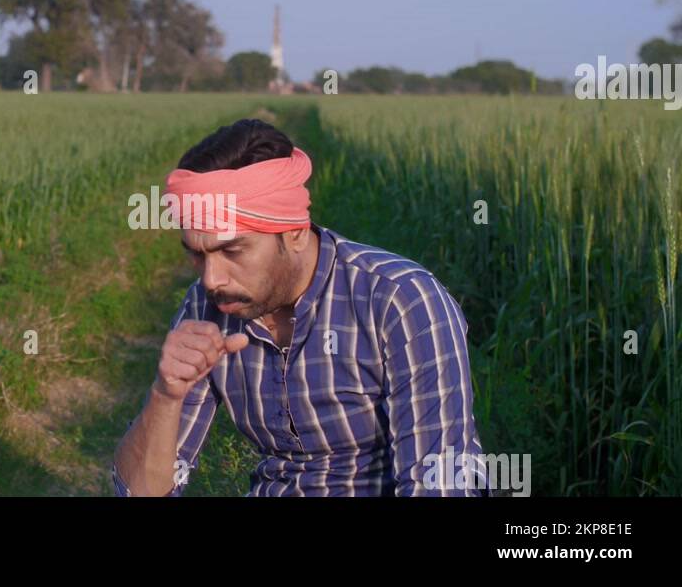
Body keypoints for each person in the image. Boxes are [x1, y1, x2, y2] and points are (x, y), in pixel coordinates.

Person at [112, 118, 487, 496]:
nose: (211, 278)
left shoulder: (399, 300)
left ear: (292, 232)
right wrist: (166, 394)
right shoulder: (206, 305)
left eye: (232, 250)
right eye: (197, 255)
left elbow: (439, 483)